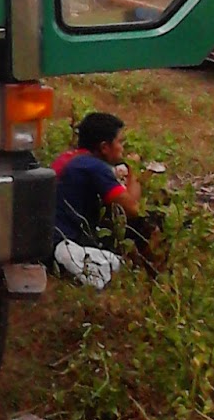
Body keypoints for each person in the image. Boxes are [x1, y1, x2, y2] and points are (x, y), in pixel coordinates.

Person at [52, 111, 155, 288]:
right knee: (146, 226)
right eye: (119, 142)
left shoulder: (71, 158)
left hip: (48, 239)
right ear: (104, 147)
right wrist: (134, 172)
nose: (122, 148)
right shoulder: (94, 167)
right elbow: (132, 209)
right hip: (64, 244)